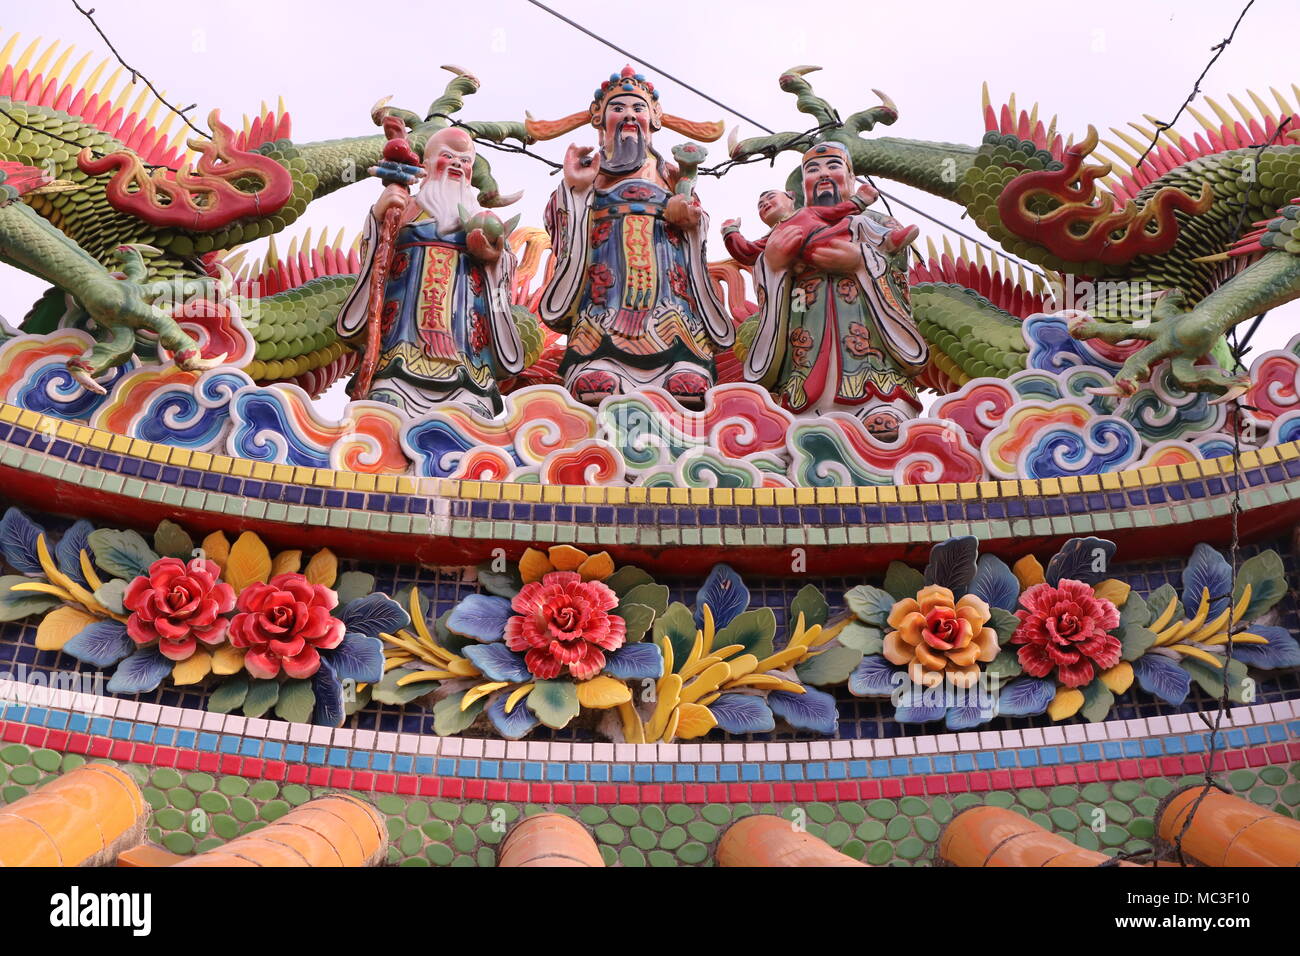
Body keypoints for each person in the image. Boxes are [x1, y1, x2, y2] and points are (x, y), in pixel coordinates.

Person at [527, 66, 733, 407]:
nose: (629, 116)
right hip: (606, 288)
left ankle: (682, 363)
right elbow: (558, 216)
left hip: (665, 281)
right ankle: (597, 362)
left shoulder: (670, 174)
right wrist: (575, 191)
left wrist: (691, 218)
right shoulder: (590, 170)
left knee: (677, 329)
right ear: (600, 119)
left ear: (654, 120)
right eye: (618, 108)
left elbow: (696, 220)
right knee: (600, 338)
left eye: (638, 109)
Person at [742, 141, 926, 439]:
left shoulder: (872, 220)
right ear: (803, 185)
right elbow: (760, 262)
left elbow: (898, 264)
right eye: (812, 170)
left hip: (866, 335)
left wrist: (862, 261)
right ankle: (799, 411)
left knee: (876, 388)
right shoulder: (791, 227)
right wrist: (773, 265)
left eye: (833, 166)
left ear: (851, 179)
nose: (823, 174)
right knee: (799, 403)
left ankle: (879, 403)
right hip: (805, 317)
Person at [336, 127, 524, 417]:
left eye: (465, 161)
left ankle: (468, 394)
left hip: (465, 359)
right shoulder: (407, 208)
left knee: (470, 419)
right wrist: (378, 215)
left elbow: (504, 273)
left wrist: (494, 259)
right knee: (384, 412)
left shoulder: (481, 219)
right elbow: (375, 255)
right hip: (402, 349)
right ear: (425, 165)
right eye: (447, 156)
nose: (457, 165)